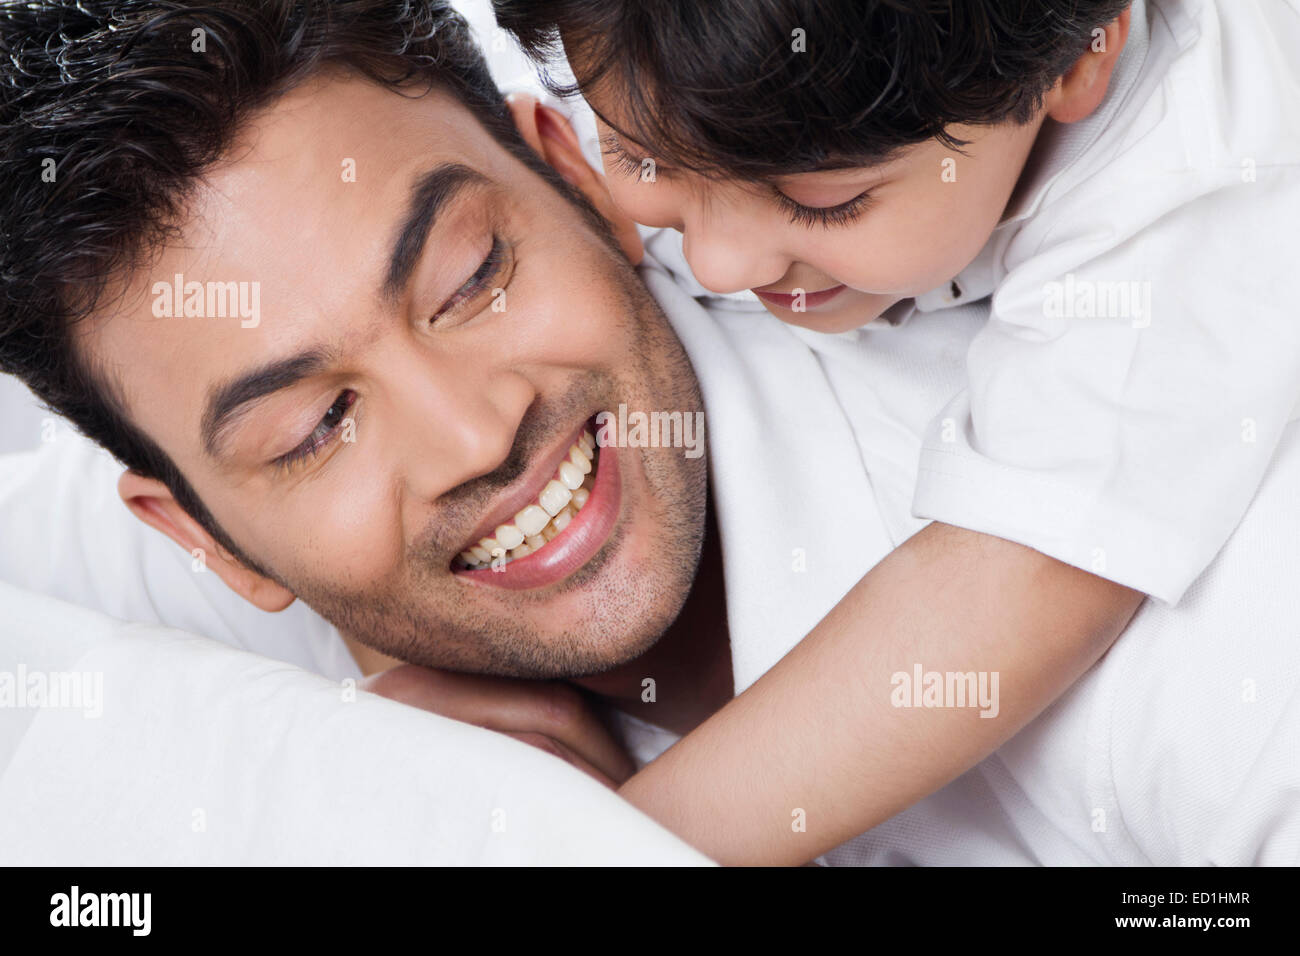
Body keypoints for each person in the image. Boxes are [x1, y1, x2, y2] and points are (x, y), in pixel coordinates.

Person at [487, 0, 1300, 862]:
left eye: (826, 203)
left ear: (1074, 62)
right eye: (644, 158)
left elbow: (1025, 585)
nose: (721, 260)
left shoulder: (1189, 168)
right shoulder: (646, 41)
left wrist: (609, 846)